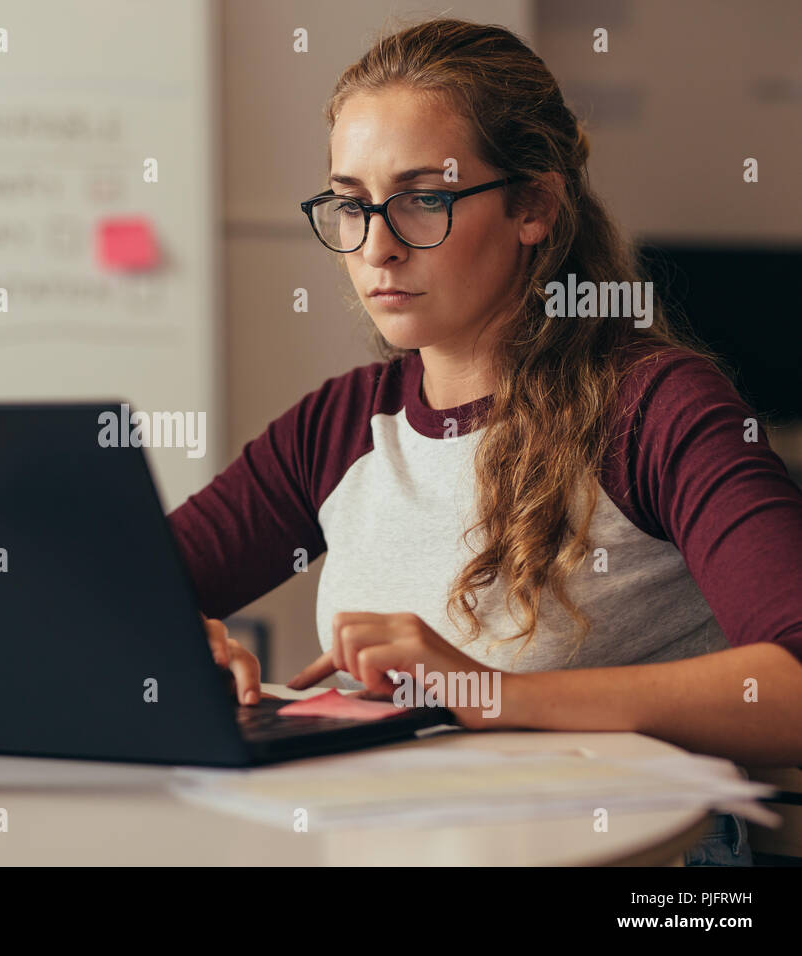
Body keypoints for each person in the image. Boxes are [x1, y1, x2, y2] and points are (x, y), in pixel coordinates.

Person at [170, 19, 802, 866]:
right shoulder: (341, 424)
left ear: (533, 207)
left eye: (424, 197)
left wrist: (492, 693)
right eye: (352, 204)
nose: (377, 246)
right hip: (396, 837)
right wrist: (165, 637)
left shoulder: (657, 407)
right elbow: (122, 590)